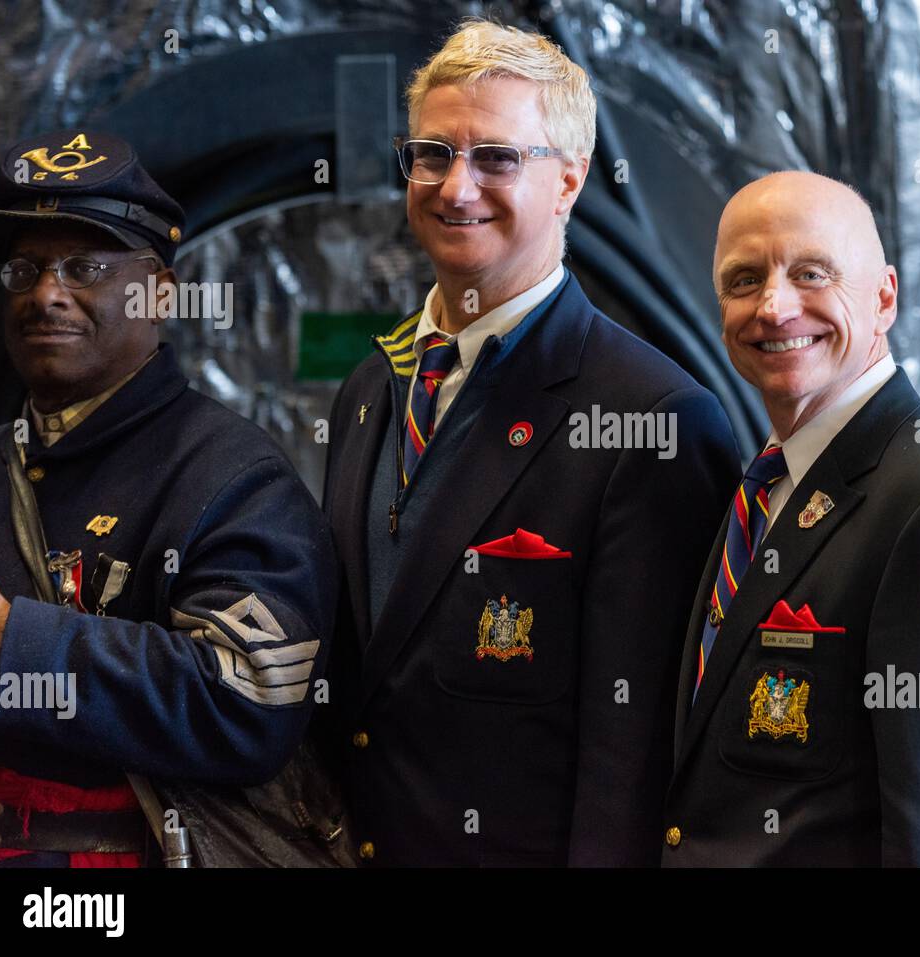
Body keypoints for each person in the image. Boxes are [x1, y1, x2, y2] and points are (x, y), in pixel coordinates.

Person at [321, 20, 741, 866]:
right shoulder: (373, 388)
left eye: (497, 158)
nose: (455, 185)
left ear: (569, 181)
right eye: (433, 153)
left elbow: (636, 752)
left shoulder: (655, 419)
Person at [661, 171, 920, 866]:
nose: (775, 307)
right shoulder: (769, 484)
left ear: (884, 298)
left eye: (811, 273)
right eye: (744, 280)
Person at [0, 130, 336, 867]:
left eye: (84, 267)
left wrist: (8, 640)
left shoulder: (233, 477)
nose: (47, 292)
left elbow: (253, 699)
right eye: (26, 269)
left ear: (158, 292)